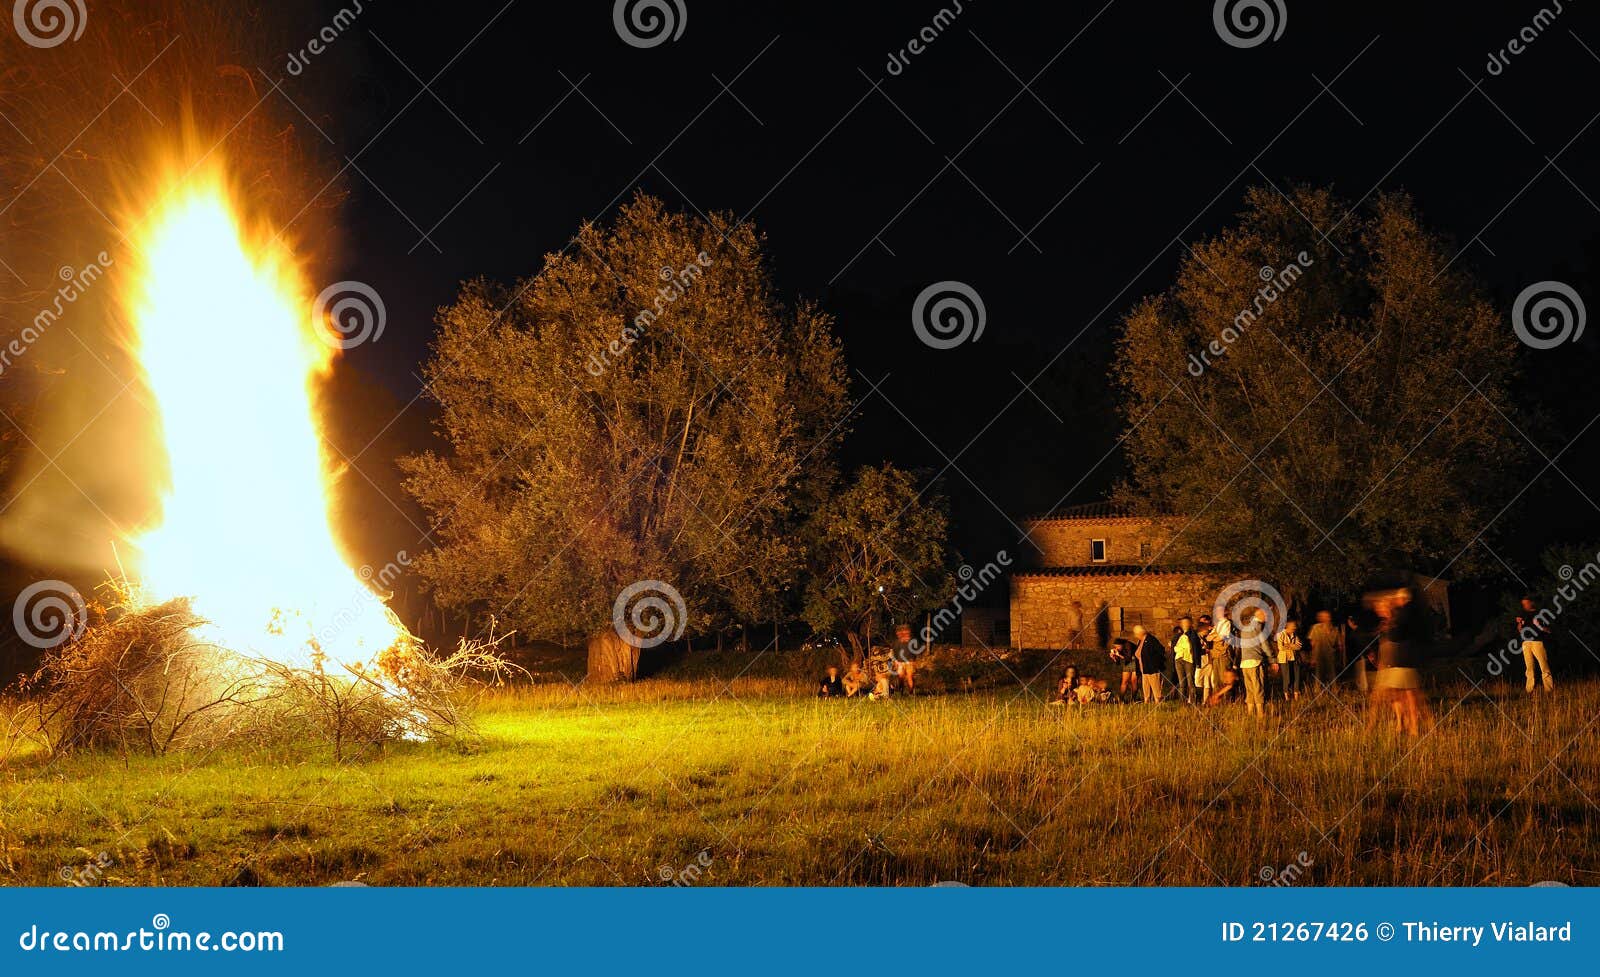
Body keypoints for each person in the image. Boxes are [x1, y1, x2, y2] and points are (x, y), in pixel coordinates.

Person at [1372, 588, 1431, 736]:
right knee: (1396, 695)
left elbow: (1397, 637)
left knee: (1411, 695)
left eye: (1382, 606)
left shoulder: (1402, 618)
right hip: (1391, 662)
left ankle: (1415, 726)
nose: (1379, 609)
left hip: (1402, 660)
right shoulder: (1389, 621)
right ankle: (1402, 723)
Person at [1513, 596, 1555, 696]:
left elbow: (1549, 630)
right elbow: (1519, 630)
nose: (1525, 605)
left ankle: (1549, 690)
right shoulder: (1523, 615)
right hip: (1526, 643)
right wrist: (1519, 623)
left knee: (1544, 666)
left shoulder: (1540, 613)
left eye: (1526, 603)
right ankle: (1529, 690)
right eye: (1523, 604)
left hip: (1537, 642)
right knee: (1529, 668)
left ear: (1532, 602)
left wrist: (1539, 626)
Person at [1237, 608, 1272, 718]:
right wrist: (1272, 658)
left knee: (1249, 688)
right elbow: (1264, 645)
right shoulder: (1259, 627)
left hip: (1244, 662)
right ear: (1260, 615)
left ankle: (1250, 713)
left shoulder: (1244, 628)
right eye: (1266, 614)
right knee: (1258, 687)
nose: (1267, 617)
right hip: (1255, 661)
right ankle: (1261, 713)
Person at [1308, 610, 1343, 694]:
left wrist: (1339, 656)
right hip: (1319, 655)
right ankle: (1318, 692)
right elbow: (1312, 644)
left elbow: (1339, 644)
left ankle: (1334, 691)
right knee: (1319, 675)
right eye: (1322, 616)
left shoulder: (1334, 629)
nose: (1324, 618)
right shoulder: (1315, 628)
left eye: (1326, 616)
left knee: (1332, 675)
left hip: (1330, 655)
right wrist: (1313, 658)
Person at [1171, 615, 1203, 704]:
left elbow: (1196, 648)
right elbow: (1174, 647)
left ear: (1190, 623)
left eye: (1186, 622)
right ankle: (1182, 702)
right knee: (1182, 683)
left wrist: (1197, 663)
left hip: (1189, 660)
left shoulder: (1193, 634)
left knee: (1190, 682)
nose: (1184, 624)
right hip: (1179, 659)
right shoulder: (1178, 635)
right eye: (1183, 623)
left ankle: (1193, 701)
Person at [1131, 625, 1166, 703]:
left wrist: (1155, 662)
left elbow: (1160, 650)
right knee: (1146, 686)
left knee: (1155, 686)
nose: (1135, 635)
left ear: (1140, 633)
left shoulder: (1151, 639)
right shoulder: (1140, 641)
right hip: (1144, 668)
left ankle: (1158, 701)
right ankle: (1147, 701)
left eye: (1136, 634)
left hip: (1152, 668)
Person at [1276, 617, 1304, 701]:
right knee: (1287, 678)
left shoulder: (1294, 634)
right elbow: (1280, 647)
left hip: (1294, 657)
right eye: (1293, 625)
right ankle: (1287, 697)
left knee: (1296, 677)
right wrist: (1292, 645)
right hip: (1284, 659)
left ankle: (1296, 697)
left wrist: (1287, 645)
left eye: (1295, 626)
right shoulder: (1280, 634)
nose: (1295, 627)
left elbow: (1299, 646)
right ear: (1287, 626)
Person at [1110, 637, 1138, 702]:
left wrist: (1119, 655)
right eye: (1115, 647)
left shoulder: (1128, 645)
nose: (1116, 648)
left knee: (1133, 681)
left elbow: (1129, 658)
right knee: (1124, 681)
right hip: (1127, 662)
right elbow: (1118, 663)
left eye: (1118, 646)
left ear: (1121, 645)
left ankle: (1133, 699)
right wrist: (1114, 657)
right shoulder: (1118, 649)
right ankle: (1121, 699)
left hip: (1135, 661)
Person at [892, 623, 918, 695]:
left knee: (909, 677)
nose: (905, 632)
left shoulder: (912, 641)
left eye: (907, 631)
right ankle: (901, 692)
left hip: (909, 662)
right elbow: (895, 652)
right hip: (900, 662)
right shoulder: (897, 642)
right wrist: (896, 661)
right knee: (900, 678)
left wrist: (912, 660)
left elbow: (915, 651)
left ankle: (911, 693)